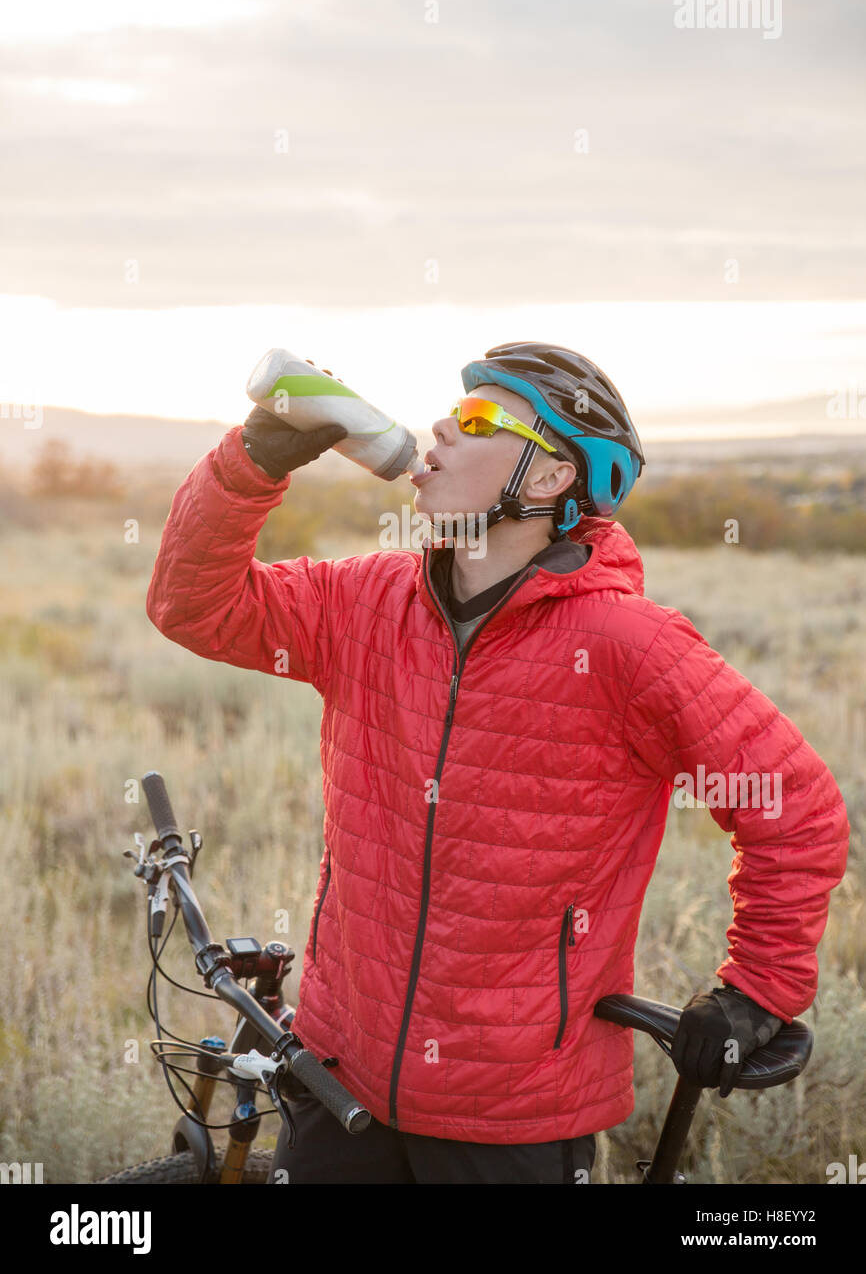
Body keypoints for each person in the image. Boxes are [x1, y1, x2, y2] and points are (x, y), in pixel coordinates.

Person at [145, 341, 849, 1184]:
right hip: (336, 1081)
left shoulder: (630, 646)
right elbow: (194, 606)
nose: (442, 425)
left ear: (551, 479)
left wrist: (755, 992)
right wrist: (254, 458)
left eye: (480, 420)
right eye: (453, 408)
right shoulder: (366, 603)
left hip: (512, 1115)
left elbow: (792, 806)